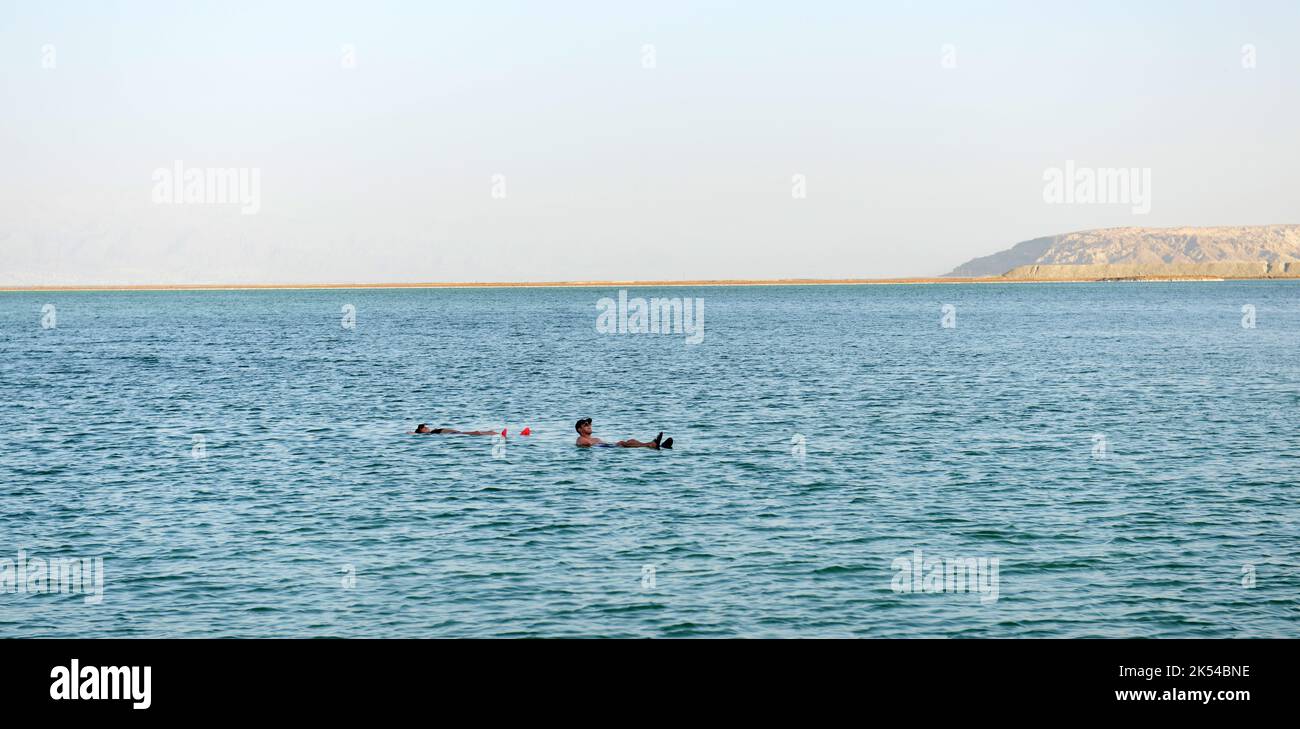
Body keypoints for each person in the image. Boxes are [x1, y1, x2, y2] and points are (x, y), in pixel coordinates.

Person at [574, 417, 672, 449]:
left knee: (631, 440)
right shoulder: (581, 439)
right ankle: (652, 444)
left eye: (590, 424)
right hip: (605, 448)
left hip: (607, 446)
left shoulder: (594, 438)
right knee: (622, 442)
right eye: (586, 425)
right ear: (579, 429)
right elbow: (584, 444)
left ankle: (656, 445)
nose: (589, 426)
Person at [411, 423, 503, 436]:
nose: (427, 427)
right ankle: (495, 434)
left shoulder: (430, 432)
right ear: (422, 430)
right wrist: (412, 432)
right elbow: (413, 433)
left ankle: (494, 433)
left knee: (475, 432)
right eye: (425, 427)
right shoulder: (427, 434)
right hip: (454, 433)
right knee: (475, 432)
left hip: (454, 432)